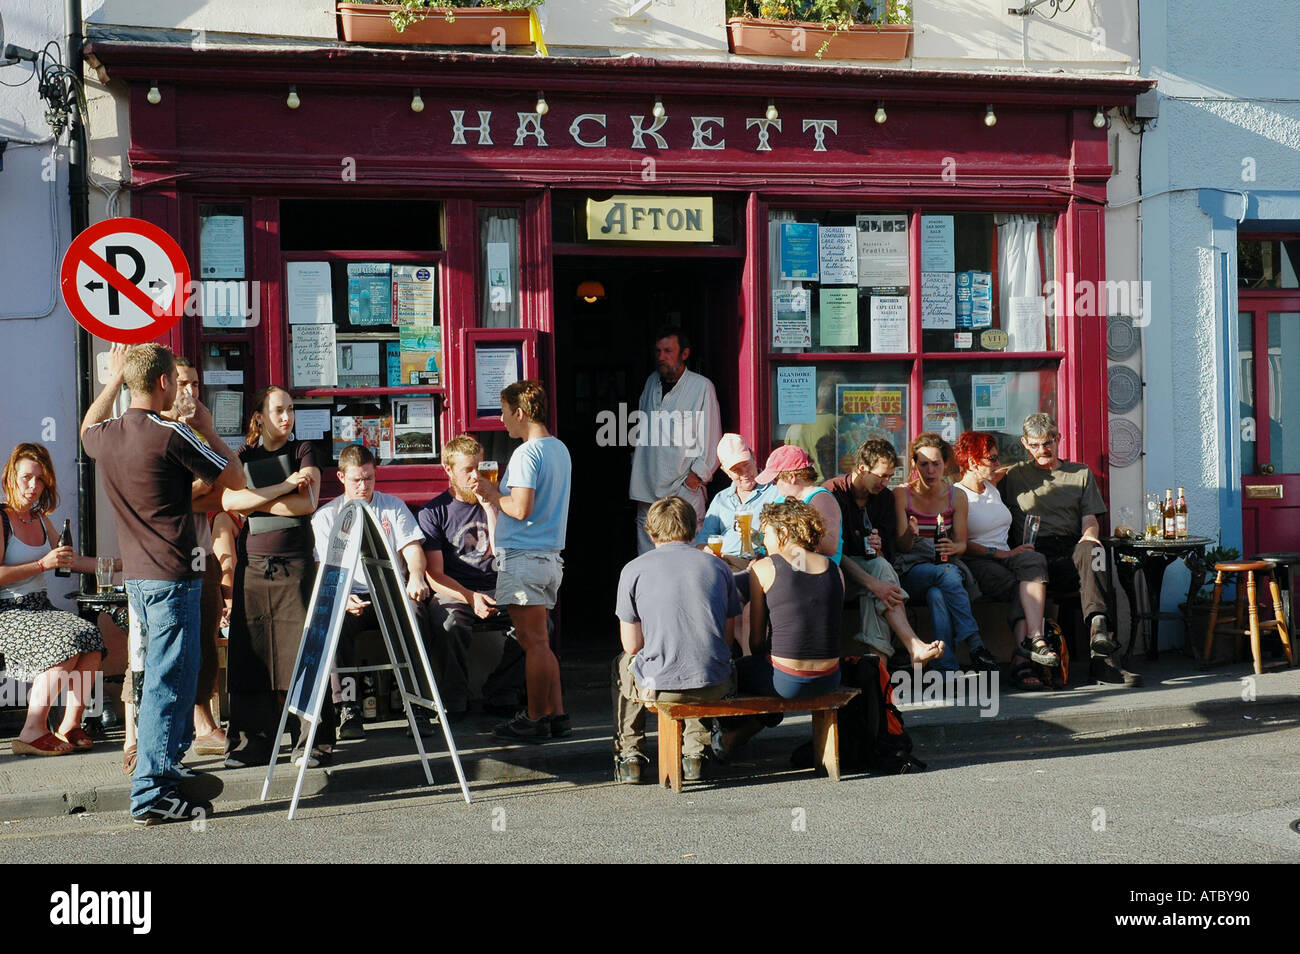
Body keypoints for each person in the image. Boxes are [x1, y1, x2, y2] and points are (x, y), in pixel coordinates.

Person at [81, 343, 245, 825]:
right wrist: (210, 427)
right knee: (170, 685)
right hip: (174, 578)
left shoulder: (106, 435)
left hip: (139, 581)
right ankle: (152, 790)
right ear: (163, 384)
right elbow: (233, 477)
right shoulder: (170, 433)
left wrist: (114, 380)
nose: (179, 387)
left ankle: (162, 775)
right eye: (174, 379)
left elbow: (86, 426)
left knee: (162, 679)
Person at [220, 385, 322, 769]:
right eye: (279, 410)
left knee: (300, 652)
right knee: (251, 654)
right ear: (259, 415)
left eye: (291, 410)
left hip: (295, 565)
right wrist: (282, 487)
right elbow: (229, 501)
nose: (287, 417)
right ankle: (252, 745)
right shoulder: (243, 454)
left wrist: (256, 496)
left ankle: (308, 743)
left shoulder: (304, 451)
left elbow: (308, 502)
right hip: (253, 566)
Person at [612, 495, 739, 784]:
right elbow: (726, 639)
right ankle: (695, 754)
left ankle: (631, 755)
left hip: (659, 686)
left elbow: (631, 646)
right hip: (716, 682)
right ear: (695, 529)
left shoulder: (633, 570)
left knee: (622, 664)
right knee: (699, 655)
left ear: (651, 531)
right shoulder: (718, 567)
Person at [312, 443, 431, 743]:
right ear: (341, 477)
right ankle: (348, 706)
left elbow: (413, 550)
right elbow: (322, 567)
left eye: (369, 478)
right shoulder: (327, 517)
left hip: (390, 592)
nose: (364, 486)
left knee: (415, 617)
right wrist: (338, 595)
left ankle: (416, 705)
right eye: (357, 480)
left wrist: (416, 575)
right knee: (334, 622)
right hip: (351, 594)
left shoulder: (392, 507)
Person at [474, 380, 572, 742]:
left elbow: (520, 507)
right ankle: (556, 714)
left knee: (533, 644)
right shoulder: (559, 449)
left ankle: (534, 717)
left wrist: (490, 493)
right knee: (541, 641)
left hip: (525, 556)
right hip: (548, 557)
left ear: (521, 412)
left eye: (503, 411)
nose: (501, 420)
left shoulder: (526, 453)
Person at [1000, 413, 1130, 685]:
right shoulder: (1014, 476)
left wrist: (1090, 536)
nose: (1042, 450)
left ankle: (1099, 634)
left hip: (1071, 546)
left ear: (1058, 438)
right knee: (1029, 563)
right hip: (1033, 547)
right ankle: (1023, 660)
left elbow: (1089, 518)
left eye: (1047, 443)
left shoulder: (1079, 473)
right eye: (1034, 445)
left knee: (1095, 552)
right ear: (1025, 443)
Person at [0, 443, 107, 756]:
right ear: (10, 478)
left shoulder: (40, 519)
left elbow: (69, 561)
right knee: (66, 642)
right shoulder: (2, 519)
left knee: (91, 638)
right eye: (26, 478)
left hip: (41, 609)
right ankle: (32, 729)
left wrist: (119, 564)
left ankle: (69, 725)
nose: (34, 486)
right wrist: (39, 565)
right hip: (9, 613)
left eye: (41, 479)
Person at [417, 434, 526, 719]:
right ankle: (455, 697)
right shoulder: (434, 512)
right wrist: (470, 597)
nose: (476, 476)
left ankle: (501, 690)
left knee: (540, 624)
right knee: (450, 623)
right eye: (468, 469)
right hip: (456, 591)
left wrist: (490, 505)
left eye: (480, 467)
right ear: (448, 470)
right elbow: (434, 575)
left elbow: (501, 552)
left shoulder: (501, 501)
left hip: (497, 586)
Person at [821, 439, 945, 666]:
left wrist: (880, 550)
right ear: (861, 469)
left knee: (879, 582)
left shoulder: (884, 498)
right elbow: (834, 555)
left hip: (871, 574)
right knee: (880, 579)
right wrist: (872, 582)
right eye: (881, 476)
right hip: (834, 574)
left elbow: (889, 554)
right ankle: (913, 645)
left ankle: (878, 672)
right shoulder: (831, 494)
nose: (886, 482)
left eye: (890, 476)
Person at [953, 430, 1056, 689]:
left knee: (1034, 560)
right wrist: (1002, 553)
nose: (998, 463)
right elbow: (962, 545)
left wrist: (1040, 457)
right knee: (1018, 589)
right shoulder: (958, 495)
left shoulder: (992, 484)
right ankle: (1022, 662)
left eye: (998, 458)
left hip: (1007, 556)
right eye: (992, 458)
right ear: (974, 462)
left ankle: (1035, 638)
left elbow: (1010, 468)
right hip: (979, 560)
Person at [892, 433, 998, 673]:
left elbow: (962, 543)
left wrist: (954, 547)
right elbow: (903, 547)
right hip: (911, 570)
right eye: (924, 464)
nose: (930, 470)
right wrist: (911, 532)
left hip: (944, 567)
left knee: (938, 594)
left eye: (936, 464)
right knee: (948, 574)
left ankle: (947, 669)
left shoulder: (955, 495)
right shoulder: (902, 494)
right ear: (914, 465)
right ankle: (975, 643)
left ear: (945, 464)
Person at [164, 356, 226, 756]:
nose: (191, 392)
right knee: (164, 644)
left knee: (206, 632)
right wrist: (201, 490)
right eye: (184, 383)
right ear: (166, 385)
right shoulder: (161, 433)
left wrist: (202, 491)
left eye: (197, 384)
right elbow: (163, 500)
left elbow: (225, 489)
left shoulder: (200, 434)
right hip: (164, 555)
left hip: (201, 549)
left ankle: (205, 721)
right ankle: (161, 734)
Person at [628, 328, 722, 554]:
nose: (661, 356)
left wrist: (694, 478)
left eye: (668, 351)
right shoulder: (651, 382)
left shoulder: (701, 387)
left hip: (683, 491)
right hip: (647, 490)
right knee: (649, 560)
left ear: (685, 353)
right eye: (658, 351)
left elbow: (712, 440)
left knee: (685, 557)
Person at [694, 433, 781, 563]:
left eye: (746, 464)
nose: (744, 473)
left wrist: (759, 546)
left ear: (754, 457)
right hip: (723, 562)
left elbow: (784, 542)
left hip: (759, 562)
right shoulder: (721, 498)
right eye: (736, 469)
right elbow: (702, 541)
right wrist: (707, 551)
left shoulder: (775, 492)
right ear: (726, 472)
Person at [756, 445, 842, 563]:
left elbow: (830, 547)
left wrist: (789, 536)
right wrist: (755, 536)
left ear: (791, 477)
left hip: (813, 572)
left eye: (775, 480)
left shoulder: (821, 499)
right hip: (783, 566)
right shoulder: (781, 499)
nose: (774, 485)